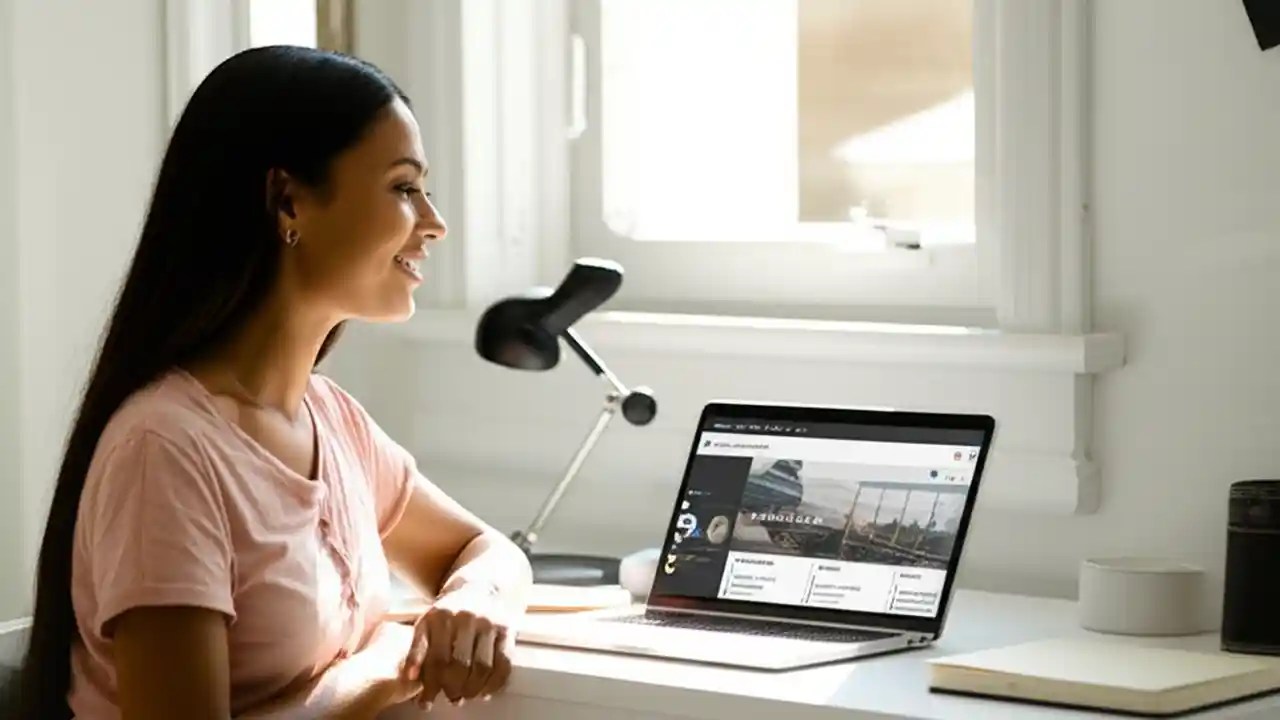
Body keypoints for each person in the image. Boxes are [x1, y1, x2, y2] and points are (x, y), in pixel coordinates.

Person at [14, 45, 533, 719]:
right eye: (404, 188)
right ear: (287, 201)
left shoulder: (331, 420)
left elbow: (487, 549)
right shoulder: (165, 451)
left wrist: (473, 598)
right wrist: (378, 671)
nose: (434, 223)